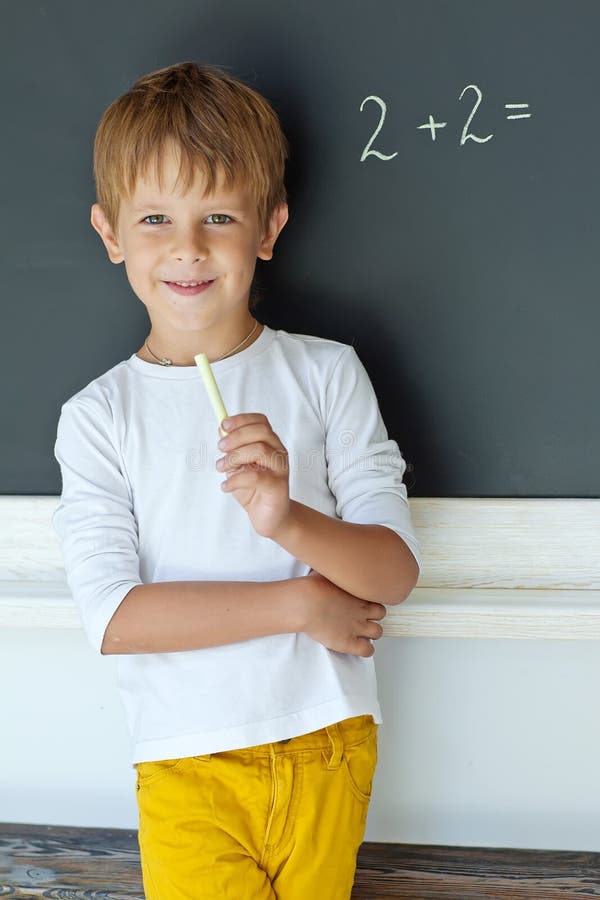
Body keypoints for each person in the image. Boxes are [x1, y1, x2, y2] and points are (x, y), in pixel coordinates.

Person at [52, 61, 421, 900]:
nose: (188, 247)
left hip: (327, 738)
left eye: (218, 215)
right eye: (155, 218)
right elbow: (114, 617)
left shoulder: (325, 375)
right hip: (187, 761)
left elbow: (392, 572)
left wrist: (286, 519)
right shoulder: (98, 417)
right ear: (111, 234)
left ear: (268, 227)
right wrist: (296, 604)